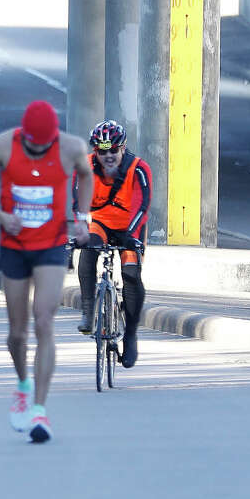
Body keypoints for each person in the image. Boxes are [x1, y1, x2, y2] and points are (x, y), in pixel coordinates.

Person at [0, 100, 93, 444]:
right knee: (17, 333)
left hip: (51, 244)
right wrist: (1, 216)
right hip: (15, 246)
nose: (37, 152)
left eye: (44, 147)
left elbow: (86, 174)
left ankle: (39, 410)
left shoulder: (72, 147)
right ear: (23, 136)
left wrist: (83, 218)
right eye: (32, 147)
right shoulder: (2, 145)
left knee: (45, 320)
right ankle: (23, 384)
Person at [76, 120, 150, 369]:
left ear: (123, 148)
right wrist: (78, 230)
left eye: (113, 150)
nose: (108, 156)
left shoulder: (138, 169)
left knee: (131, 273)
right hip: (100, 223)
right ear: (95, 151)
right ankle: (88, 311)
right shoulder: (85, 166)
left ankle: (131, 335)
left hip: (131, 225)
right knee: (87, 250)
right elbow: (77, 202)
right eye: (102, 151)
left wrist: (132, 237)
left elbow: (142, 206)